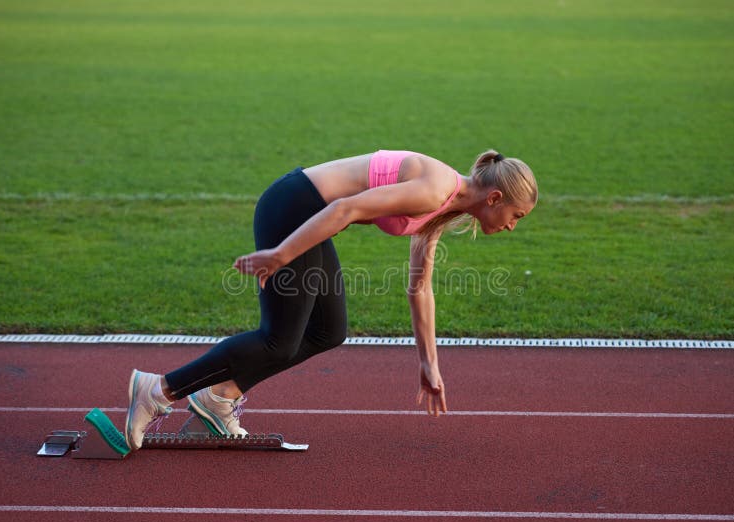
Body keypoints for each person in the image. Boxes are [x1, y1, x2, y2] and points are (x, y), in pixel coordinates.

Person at [124, 149, 537, 449]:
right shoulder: (435, 189)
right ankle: (158, 390)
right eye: (516, 217)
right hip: (294, 207)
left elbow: (419, 287)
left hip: (310, 213)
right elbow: (347, 207)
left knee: (328, 331)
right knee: (278, 339)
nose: (513, 227)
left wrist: (429, 363)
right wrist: (280, 255)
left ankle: (218, 396)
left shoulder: (445, 207)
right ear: (496, 199)